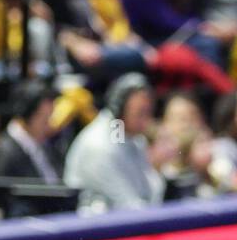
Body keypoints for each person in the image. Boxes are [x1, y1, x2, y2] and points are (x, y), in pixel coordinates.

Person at [63, 72, 166, 211]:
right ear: (118, 109)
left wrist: (156, 168)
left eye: (148, 112)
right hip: (94, 226)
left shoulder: (133, 138)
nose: (146, 121)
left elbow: (149, 195)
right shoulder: (99, 147)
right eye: (140, 113)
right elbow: (127, 206)